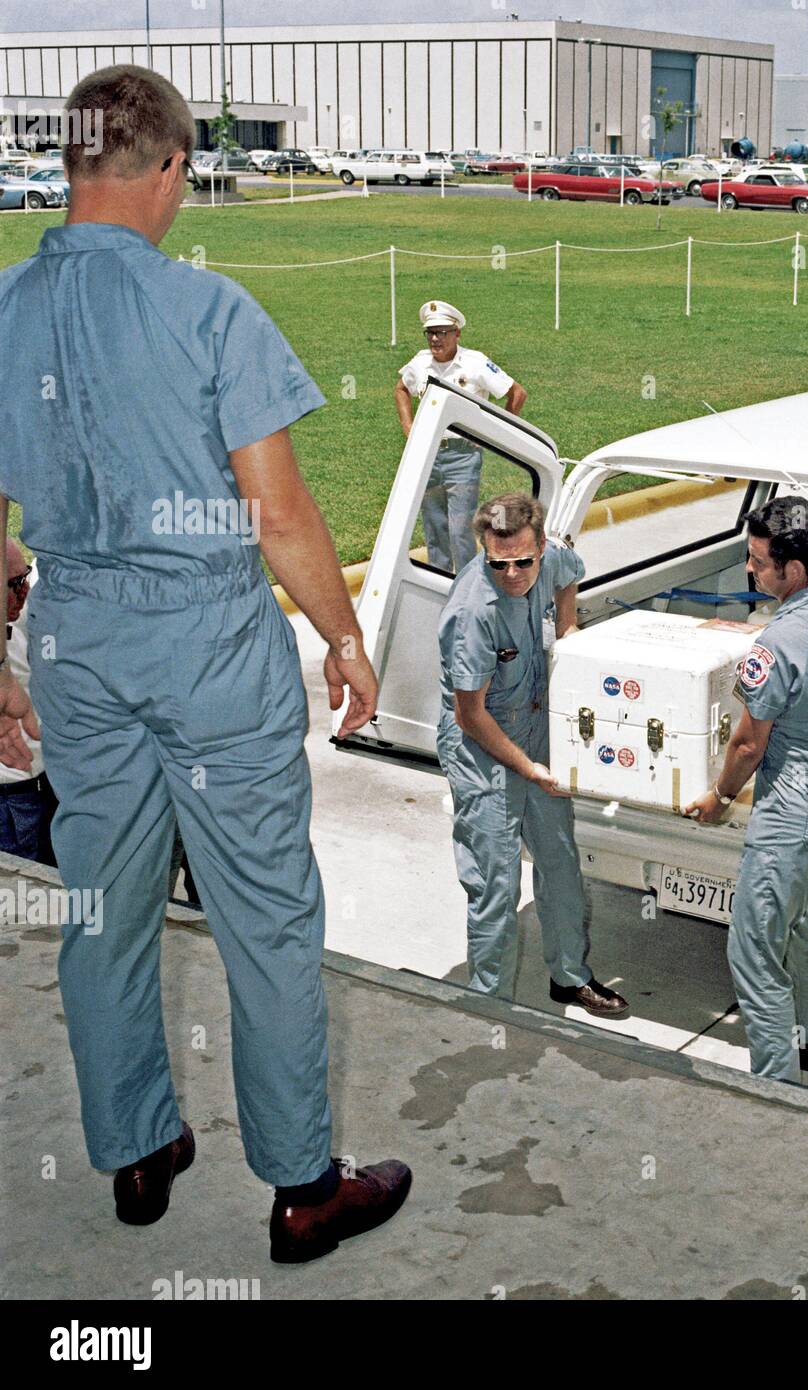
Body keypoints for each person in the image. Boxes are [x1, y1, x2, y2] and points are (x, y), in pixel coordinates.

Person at [0, 65, 411, 1264]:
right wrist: (343, 637)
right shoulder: (211, 311)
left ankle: (135, 1151)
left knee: (102, 909)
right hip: (208, 648)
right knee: (268, 923)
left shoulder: (6, 310)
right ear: (170, 166)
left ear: (74, 162)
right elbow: (279, 519)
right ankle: (299, 1188)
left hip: (76, 640)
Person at [684, 497, 808, 1082]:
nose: (750, 570)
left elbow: (748, 745)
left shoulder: (774, 643)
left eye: (756, 560)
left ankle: (774, 1085)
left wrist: (718, 798)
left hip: (790, 804)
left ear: (791, 569)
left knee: (752, 948)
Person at [437, 491, 629, 1015]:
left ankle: (569, 976)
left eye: (525, 560)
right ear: (484, 551)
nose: (515, 573)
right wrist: (530, 770)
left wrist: (567, 634)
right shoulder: (472, 612)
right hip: (484, 748)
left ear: (540, 544)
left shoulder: (553, 557)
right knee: (495, 887)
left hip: (537, 726)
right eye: (500, 564)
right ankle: (490, 1005)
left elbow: (567, 576)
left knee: (560, 863)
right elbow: (470, 716)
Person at [394, 300, 527, 574]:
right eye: (430, 333)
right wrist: (408, 428)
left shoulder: (475, 363)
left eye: (442, 332)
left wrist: (495, 433)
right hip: (428, 454)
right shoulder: (420, 363)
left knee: (460, 532)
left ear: (457, 333)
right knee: (435, 531)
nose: (435, 339)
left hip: (463, 457)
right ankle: (440, 587)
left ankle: (469, 589)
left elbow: (517, 393)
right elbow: (400, 389)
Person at [0, 540, 55, 864]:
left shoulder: (32, 604)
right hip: (13, 798)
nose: (24, 593)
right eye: (15, 584)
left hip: (41, 786)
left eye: (26, 579)